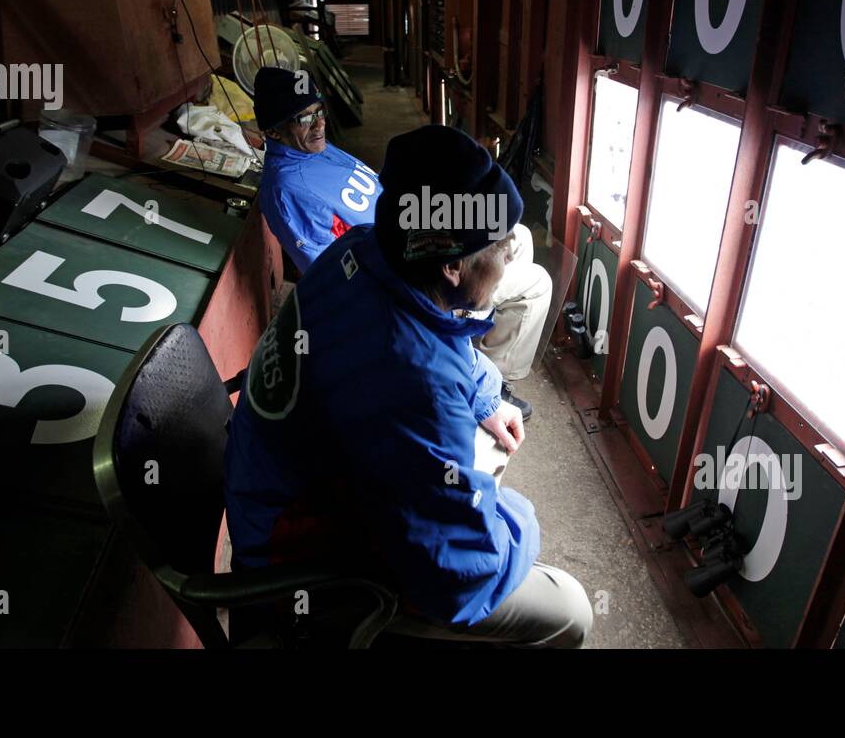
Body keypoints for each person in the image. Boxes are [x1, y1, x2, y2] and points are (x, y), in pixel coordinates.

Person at [225, 125, 592, 647]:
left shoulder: (363, 251)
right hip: (295, 554)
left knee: (476, 464)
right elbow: (459, 583)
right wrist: (519, 518)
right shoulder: (415, 379)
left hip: (269, 489)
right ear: (451, 265)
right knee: (569, 610)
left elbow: (438, 329)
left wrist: (484, 398)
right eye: (501, 247)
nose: (509, 256)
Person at [252, 66, 551, 416]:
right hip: (407, 273)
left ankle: (472, 343)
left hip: (407, 234)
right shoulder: (286, 190)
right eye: (303, 119)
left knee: (518, 236)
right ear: (273, 130)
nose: (319, 124)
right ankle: (487, 382)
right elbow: (330, 271)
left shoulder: (315, 150)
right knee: (536, 283)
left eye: (319, 111)